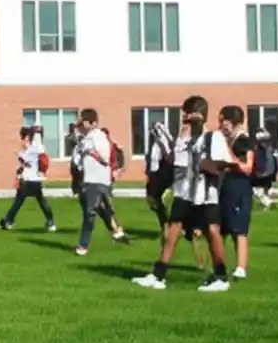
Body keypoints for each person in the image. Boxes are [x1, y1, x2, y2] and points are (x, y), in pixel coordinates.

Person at [132, 95, 233, 292]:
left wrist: (202, 163)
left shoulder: (214, 137)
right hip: (184, 192)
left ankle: (221, 276)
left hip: (206, 194)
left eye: (188, 115)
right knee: (173, 230)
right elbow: (174, 163)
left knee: (212, 231)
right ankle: (158, 274)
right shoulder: (183, 139)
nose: (186, 119)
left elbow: (223, 166)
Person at [73, 110, 127, 255]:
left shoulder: (98, 137)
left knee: (89, 213)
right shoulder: (85, 138)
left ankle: (83, 246)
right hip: (88, 179)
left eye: (83, 121)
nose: (80, 124)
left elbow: (105, 158)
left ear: (92, 123)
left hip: (97, 180)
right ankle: (117, 231)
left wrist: (90, 152)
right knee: (100, 209)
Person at [218, 106, 255, 279]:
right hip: (225, 187)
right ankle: (219, 264)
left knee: (239, 228)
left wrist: (229, 156)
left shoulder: (244, 141)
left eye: (222, 121)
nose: (220, 125)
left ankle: (241, 267)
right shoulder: (226, 140)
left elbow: (247, 168)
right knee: (221, 227)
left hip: (239, 187)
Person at [0, 125, 56, 232]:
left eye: (23, 138)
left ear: (27, 138)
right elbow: (25, 163)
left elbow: (35, 155)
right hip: (33, 179)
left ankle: (8, 221)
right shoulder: (29, 150)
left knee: (19, 201)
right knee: (39, 200)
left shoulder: (33, 149)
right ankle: (51, 222)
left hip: (30, 180)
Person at [144, 121, 176, 241]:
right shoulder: (170, 140)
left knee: (153, 199)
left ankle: (166, 225)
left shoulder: (157, 144)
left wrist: (150, 179)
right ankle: (169, 223)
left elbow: (154, 164)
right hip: (172, 173)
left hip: (160, 174)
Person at [250, 128, 278, 210]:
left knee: (257, 188)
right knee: (259, 189)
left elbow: (272, 162)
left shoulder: (264, 151)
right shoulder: (268, 149)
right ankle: (267, 203)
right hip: (265, 173)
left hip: (263, 173)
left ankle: (268, 203)